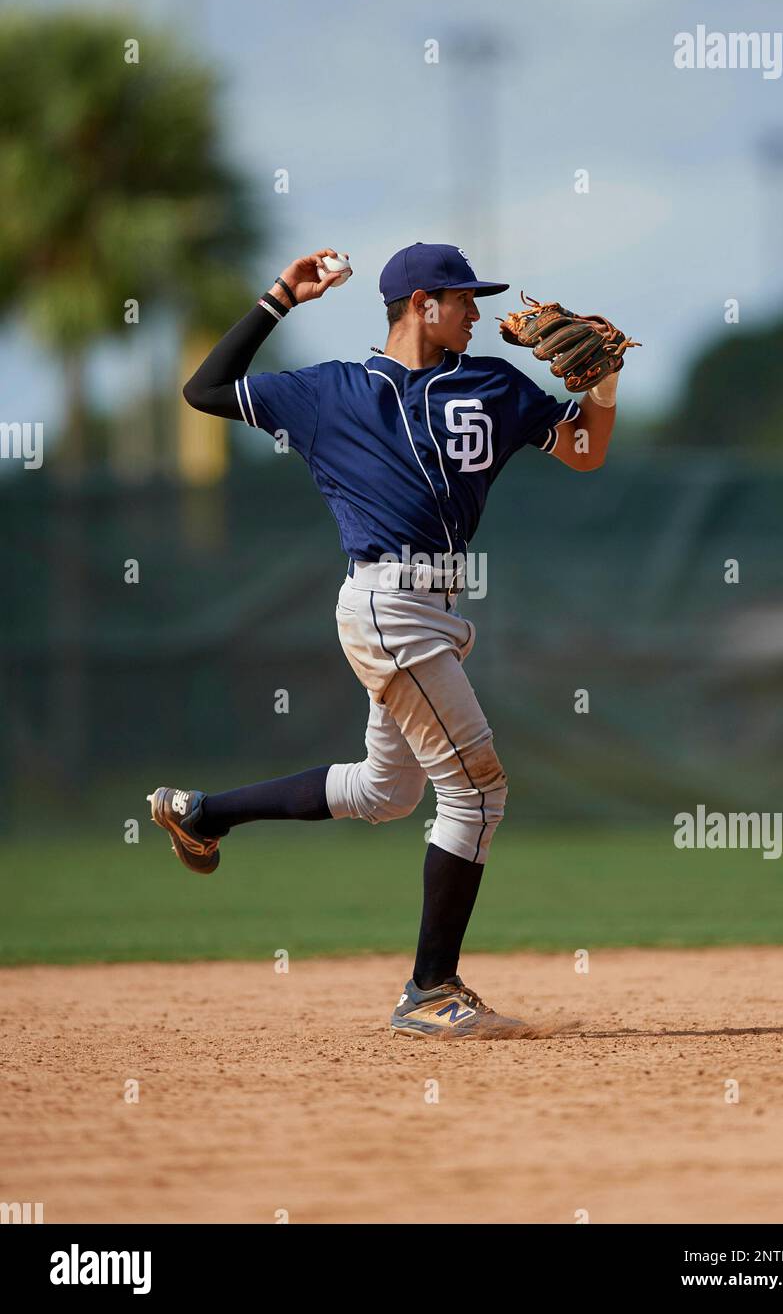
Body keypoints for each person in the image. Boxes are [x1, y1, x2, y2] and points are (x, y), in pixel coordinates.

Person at [149, 242, 620, 1037]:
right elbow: (205, 389)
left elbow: (585, 450)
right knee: (476, 791)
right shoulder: (331, 392)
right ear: (419, 305)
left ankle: (201, 813)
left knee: (386, 791)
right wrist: (279, 299)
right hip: (386, 606)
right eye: (461, 298)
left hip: (435, 612)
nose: (476, 310)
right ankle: (430, 990)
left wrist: (603, 383)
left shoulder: (494, 385)